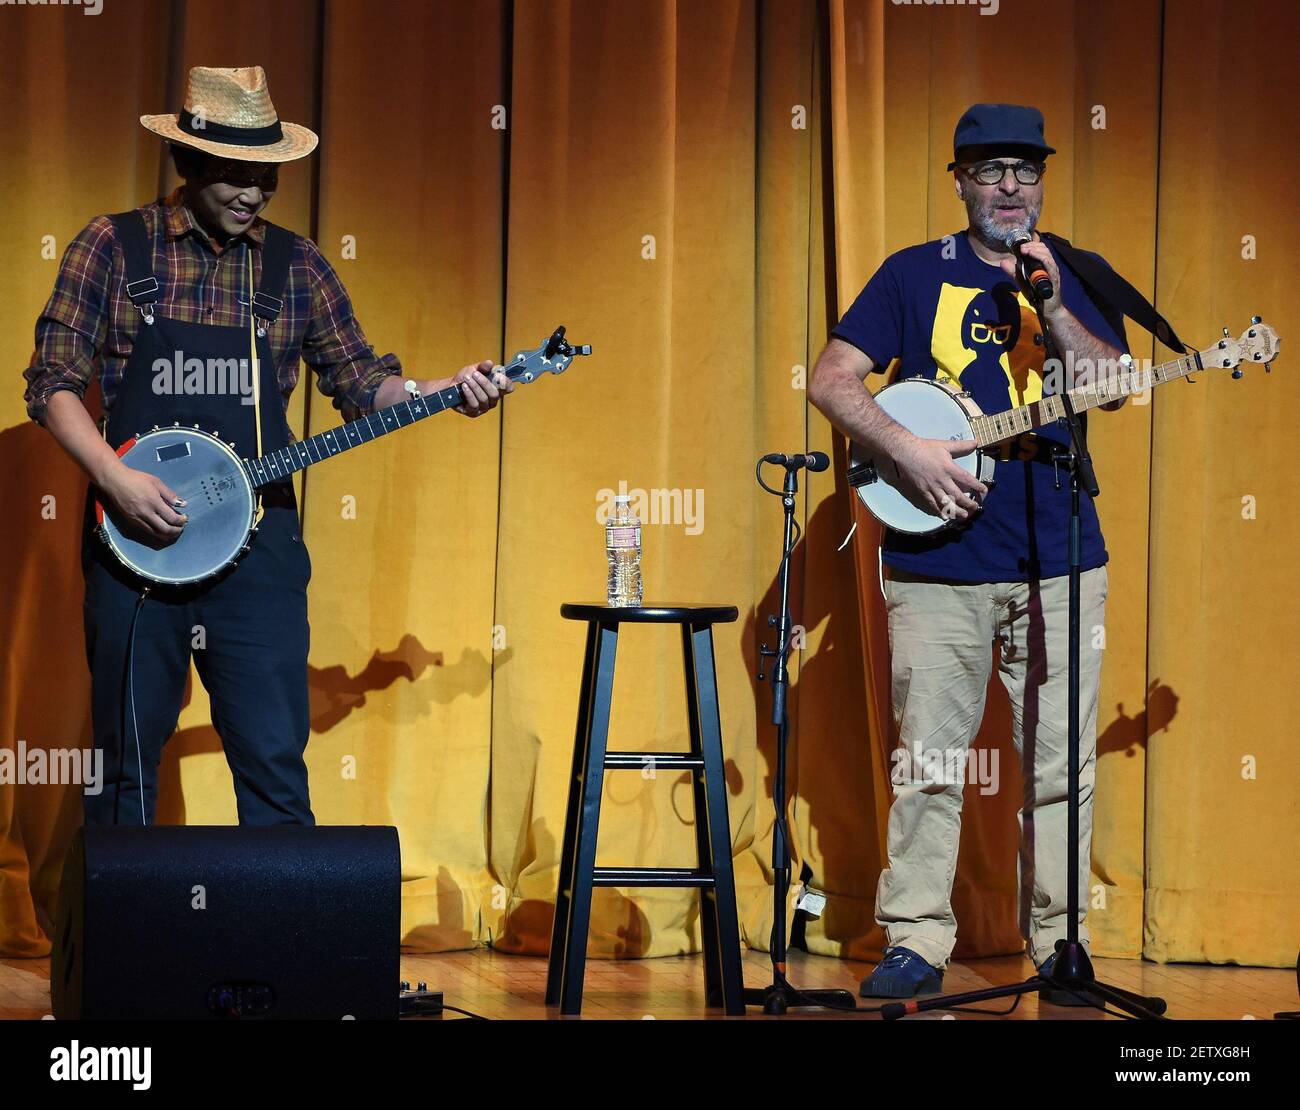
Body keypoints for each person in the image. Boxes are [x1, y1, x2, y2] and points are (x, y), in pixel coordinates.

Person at [22, 66, 511, 827]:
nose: (254, 194)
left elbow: (362, 383)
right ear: (188, 164)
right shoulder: (113, 247)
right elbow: (52, 383)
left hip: (259, 547)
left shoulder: (297, 265)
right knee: (125, 775)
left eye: (267, 178)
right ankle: (127, 947)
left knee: (275, 768)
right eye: (235, 176)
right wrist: (113, 481)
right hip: (135, 541)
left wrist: (445, 389)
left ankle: (279, 944)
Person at [808, 103, 1128, 1003]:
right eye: (991, 170)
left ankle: (1062, 945)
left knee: (1063, 764)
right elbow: (830, 379)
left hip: (1061, 556)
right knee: (928, 764)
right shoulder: (912, 275)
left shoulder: (1074, 273)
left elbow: (1110, 389)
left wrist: (1056, 305)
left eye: (1026, 169)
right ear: (960, 180)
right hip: (939, 563)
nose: (1011, 187)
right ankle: (914, 937)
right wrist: (904, 448)